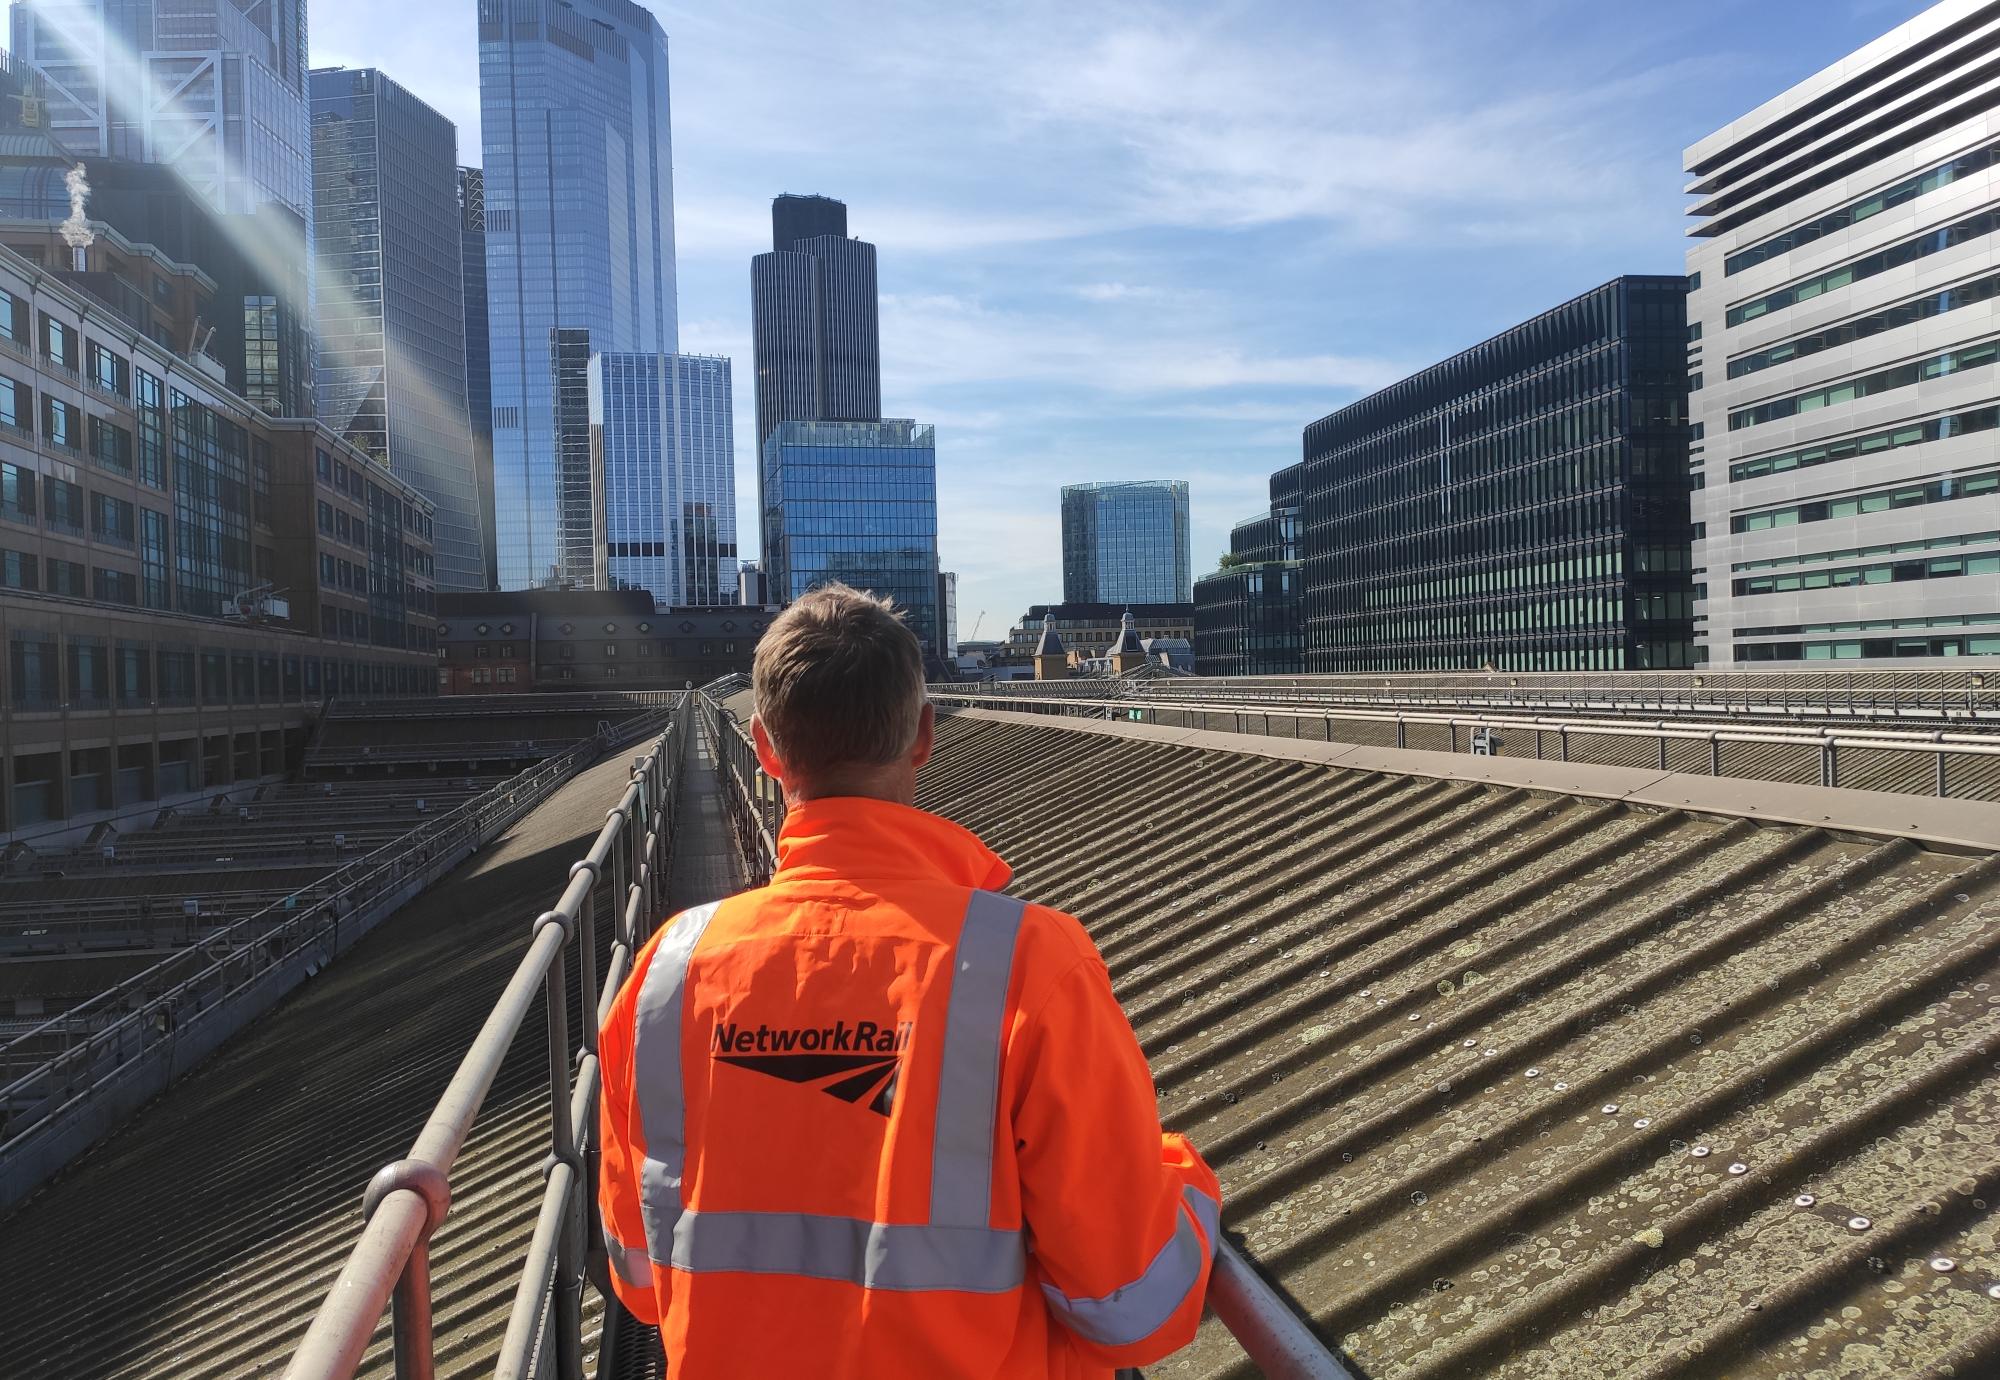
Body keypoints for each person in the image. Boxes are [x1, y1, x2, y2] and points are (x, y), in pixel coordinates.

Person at [598, 583, 1220, 1378]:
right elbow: (1136, 1306)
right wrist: (1182, 1173)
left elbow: (639, 1279)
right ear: (924, 735)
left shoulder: (667, 973)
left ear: (765, 748)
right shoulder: (1029, 965)